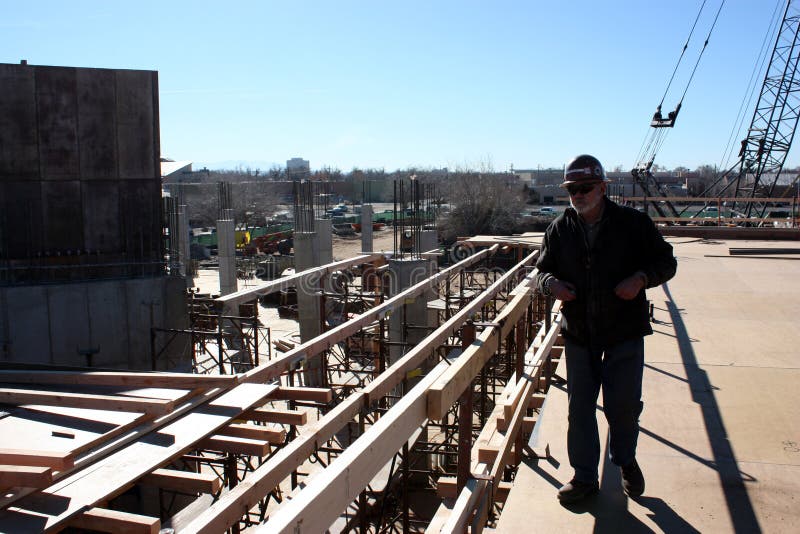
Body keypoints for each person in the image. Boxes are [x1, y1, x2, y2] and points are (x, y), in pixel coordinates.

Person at [534, 154, 677, 504]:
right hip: (580, 333)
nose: (578, 195)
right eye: (572, 189)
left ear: (602, 188)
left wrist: (640, 278)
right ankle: (584, 477)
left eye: (585, 188)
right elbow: (541, 271)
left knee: (622, 406)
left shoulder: (633, 225)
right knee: (580, 408)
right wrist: (551, 284)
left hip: (623, 330)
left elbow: (666, 261)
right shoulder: (559, 230)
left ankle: (625, 461)